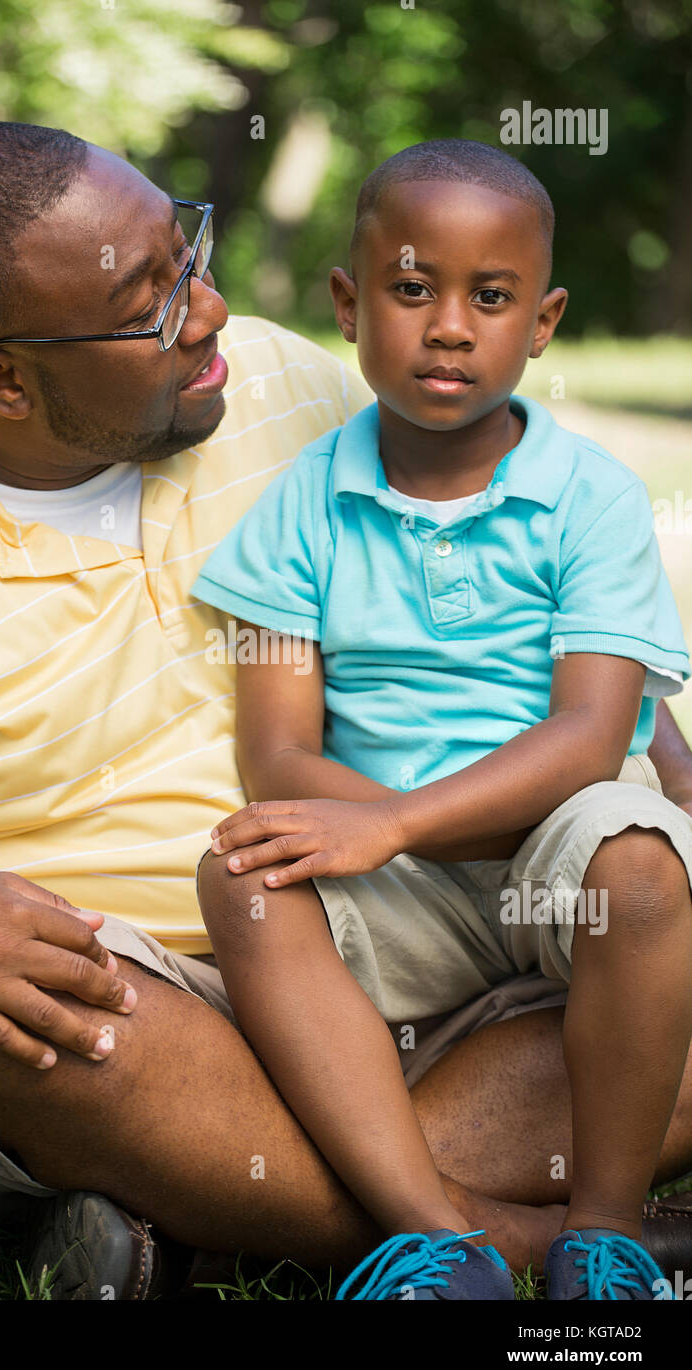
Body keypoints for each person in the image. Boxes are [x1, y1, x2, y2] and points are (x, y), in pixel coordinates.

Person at [0, 122, 691, 1301]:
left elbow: (552, 627)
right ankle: (511, 1233)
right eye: (148, 303)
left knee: (654, 937)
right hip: (136, 1003)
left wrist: (660, 798)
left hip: (389, 928)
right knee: (34, 1022)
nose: (209, 310)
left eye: (184, 248)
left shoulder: (280, 389)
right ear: (1, 379)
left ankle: (208, 1207)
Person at [192, 139, 692, 1300]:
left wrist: (404, 820)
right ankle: (436, 1237)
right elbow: (277, 754)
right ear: (348, 301)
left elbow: (588, 737)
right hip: (398, 881)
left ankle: (604, 1236)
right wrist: (391, 836)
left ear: (545, 320)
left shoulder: (595, 503)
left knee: (633, 854)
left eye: (492, 297)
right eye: (412, 290)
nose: (450, 327)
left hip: (564, 841)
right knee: (241, 872)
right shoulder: (296, 513)